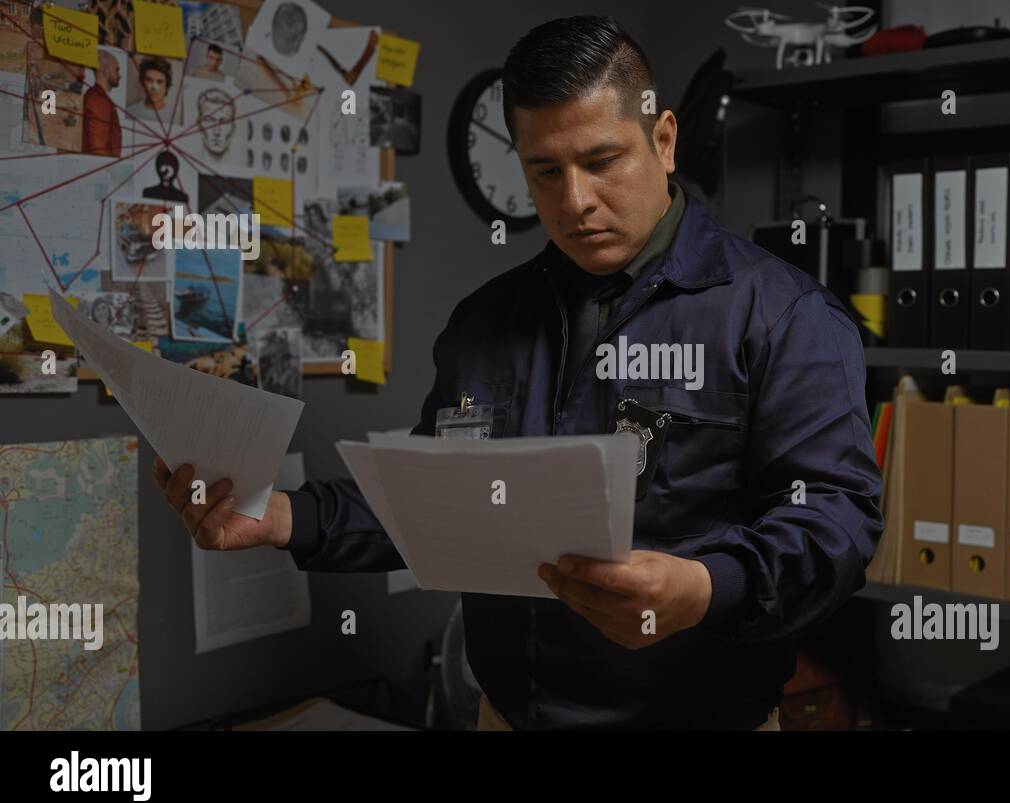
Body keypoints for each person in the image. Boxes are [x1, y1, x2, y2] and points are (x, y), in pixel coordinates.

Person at [153, 16, 883, 731]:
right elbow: (432, 501)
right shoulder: (482, 323)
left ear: (663, 140)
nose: (573, 202)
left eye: (600, 161)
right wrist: (281, 515)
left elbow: (835, 525)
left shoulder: (784, 316)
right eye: (545, 171)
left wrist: (704, 586)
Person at [82, 49, 122, 157]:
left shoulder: (97, 97)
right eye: (116, 70)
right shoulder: (99, 100)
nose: (119, 75)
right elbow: (98, 147)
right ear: (105, 70)